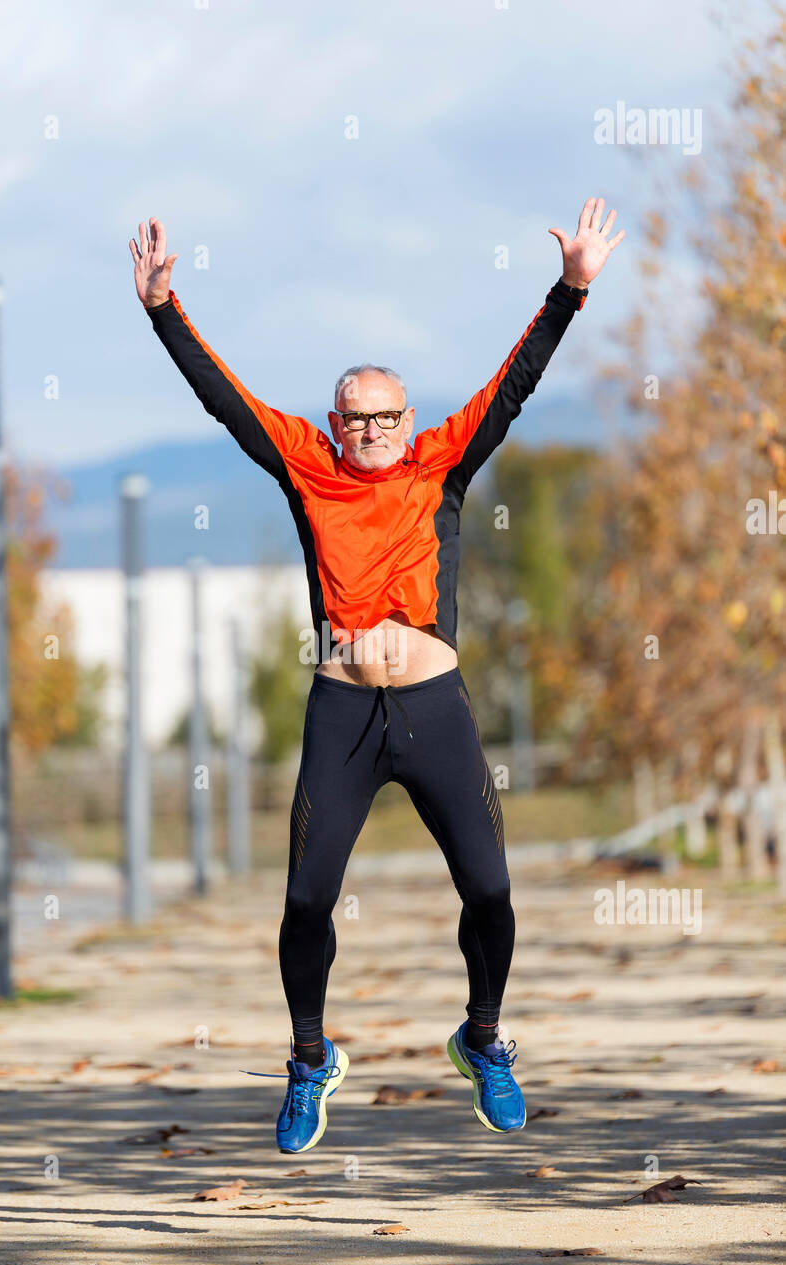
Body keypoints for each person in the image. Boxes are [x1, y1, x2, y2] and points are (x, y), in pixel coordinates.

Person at [129, 198, 624, 1153]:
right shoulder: (305, 465)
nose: (374, 433)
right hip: (343, 717)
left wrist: (569, 290)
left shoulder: (440, 462)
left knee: (489, 890)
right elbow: (222, 396)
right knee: (306, 899)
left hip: (434, 710)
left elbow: (511, 386)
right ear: (334, 422)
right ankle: (310, 1057)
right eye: (357, 420)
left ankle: (482, 1040)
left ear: (409, 418)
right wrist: (162, 309)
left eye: (388, 417)